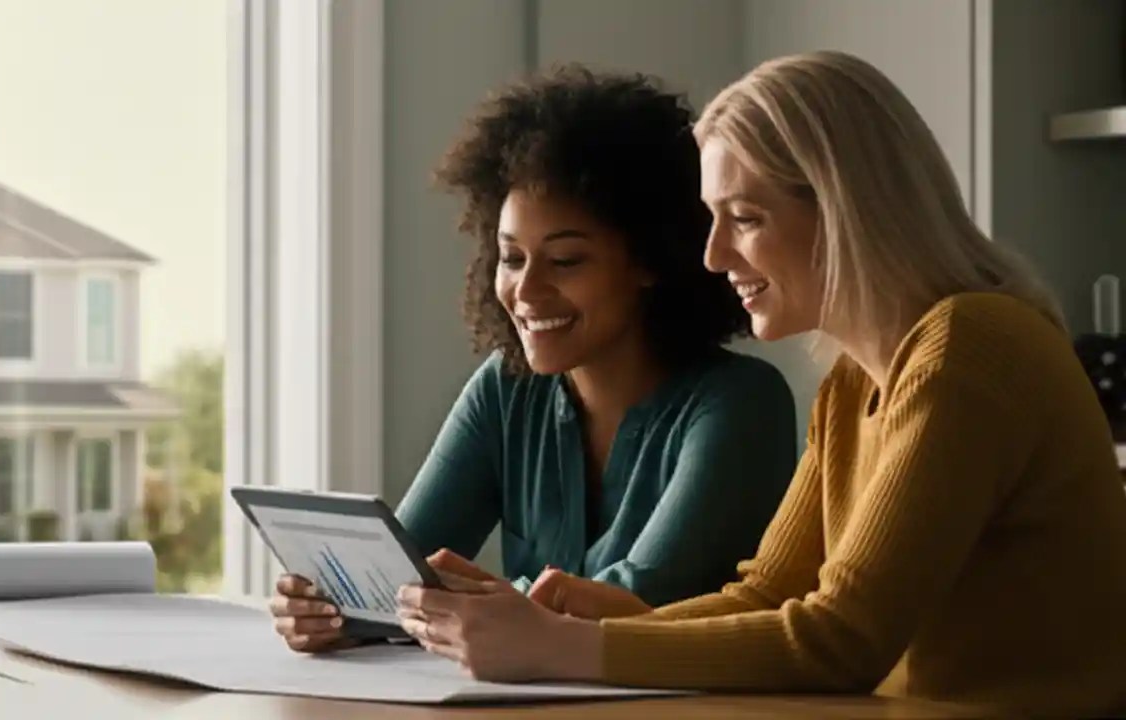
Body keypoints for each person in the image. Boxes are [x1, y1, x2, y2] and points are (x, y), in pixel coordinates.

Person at [394, 51, 1126, 718]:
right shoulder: (852, 381)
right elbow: (769, 595)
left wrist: (558, 646)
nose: (712, 256)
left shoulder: (969, 345)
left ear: (846, 211)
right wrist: (579, 628)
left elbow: (842, 638)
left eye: (744, 218)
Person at [270, 66, 798, 653]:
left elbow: (641, 601)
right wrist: (329, 607)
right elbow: (395, 577)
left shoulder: (742, 402)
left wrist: (442, 601)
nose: (526, 290)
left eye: (566, 261)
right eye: (511, 257)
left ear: (652, 261)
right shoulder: (506, 387)